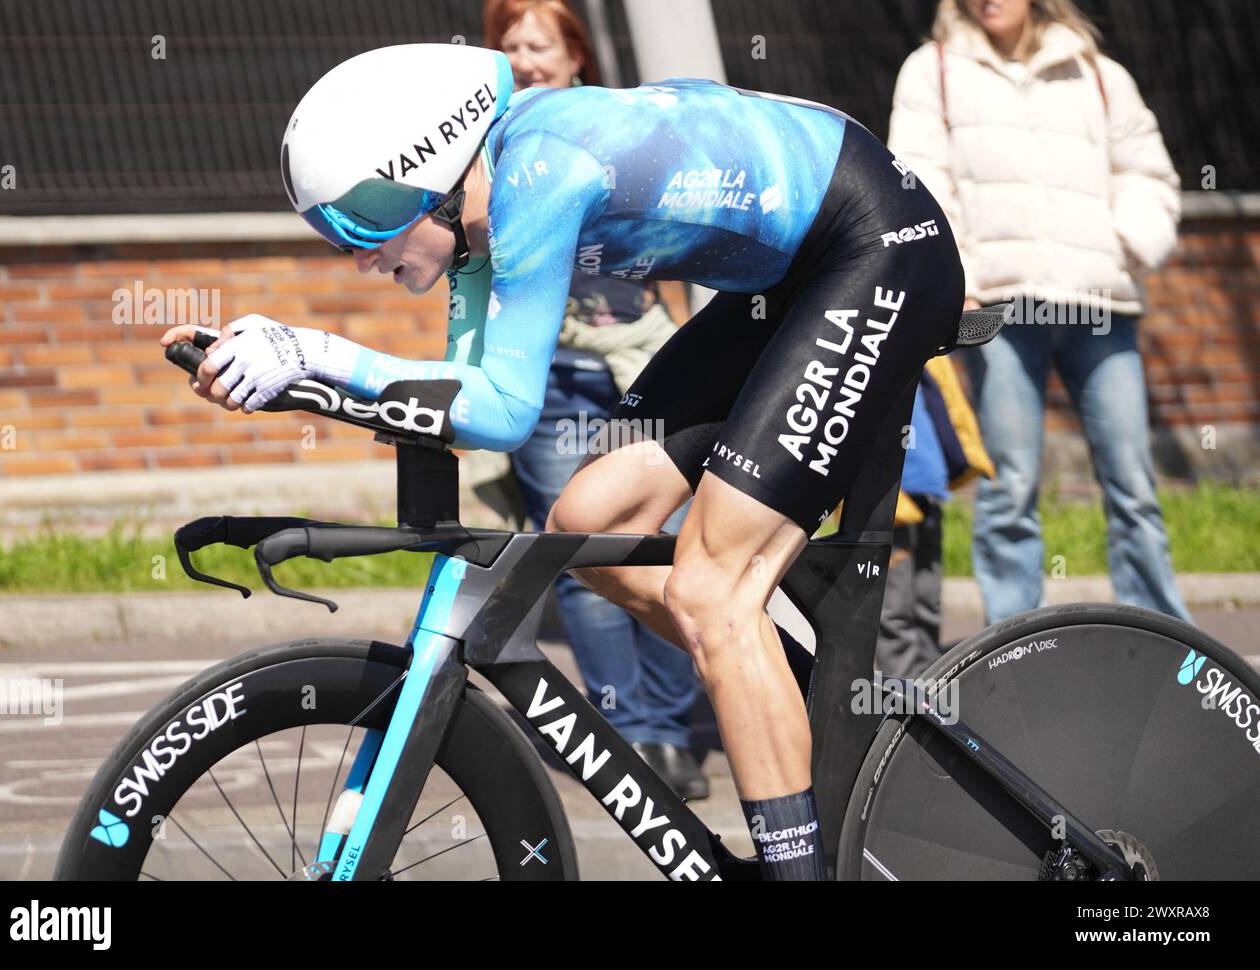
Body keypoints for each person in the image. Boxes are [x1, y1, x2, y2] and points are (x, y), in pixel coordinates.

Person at [162, 43, 965, 880]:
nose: (356, 253)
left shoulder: (537, 174)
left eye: (364, 216)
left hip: (878, 251)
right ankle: (793, 685)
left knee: (709, 589)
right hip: (793, 281)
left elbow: (504, 412)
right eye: (331, 232)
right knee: (590, 526)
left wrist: (312, 351)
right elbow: (462, 401)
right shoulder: (476, 214)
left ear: (426, 168)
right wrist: (299, 383)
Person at [888, 0, 1191, 626]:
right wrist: (959, 281)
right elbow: (921, 183)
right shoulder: (933, 69)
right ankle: (1012, 645)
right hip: (1000, 307)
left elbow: (1147, 173)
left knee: (1133, 484)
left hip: (1099, 303)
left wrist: (1127, 240)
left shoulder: (1097, 74)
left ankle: (1165, 640)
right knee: (1010, 486)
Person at [478, 0, 707, 800]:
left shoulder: (615, 126)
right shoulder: (494, 149)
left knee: (661, 542)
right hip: (556, 374)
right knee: (578, 556)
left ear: (576, 55)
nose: (526, 60)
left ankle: (676, 733)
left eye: (539, 45)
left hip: (642, 363)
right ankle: (627, 730)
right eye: (510, 50)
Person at [875, 356, 993, 679]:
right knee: (894, 609)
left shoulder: (925, 345)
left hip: (925, 487)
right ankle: (901, 699)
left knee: (927, 601)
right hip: (882, 498)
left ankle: (929, 686)